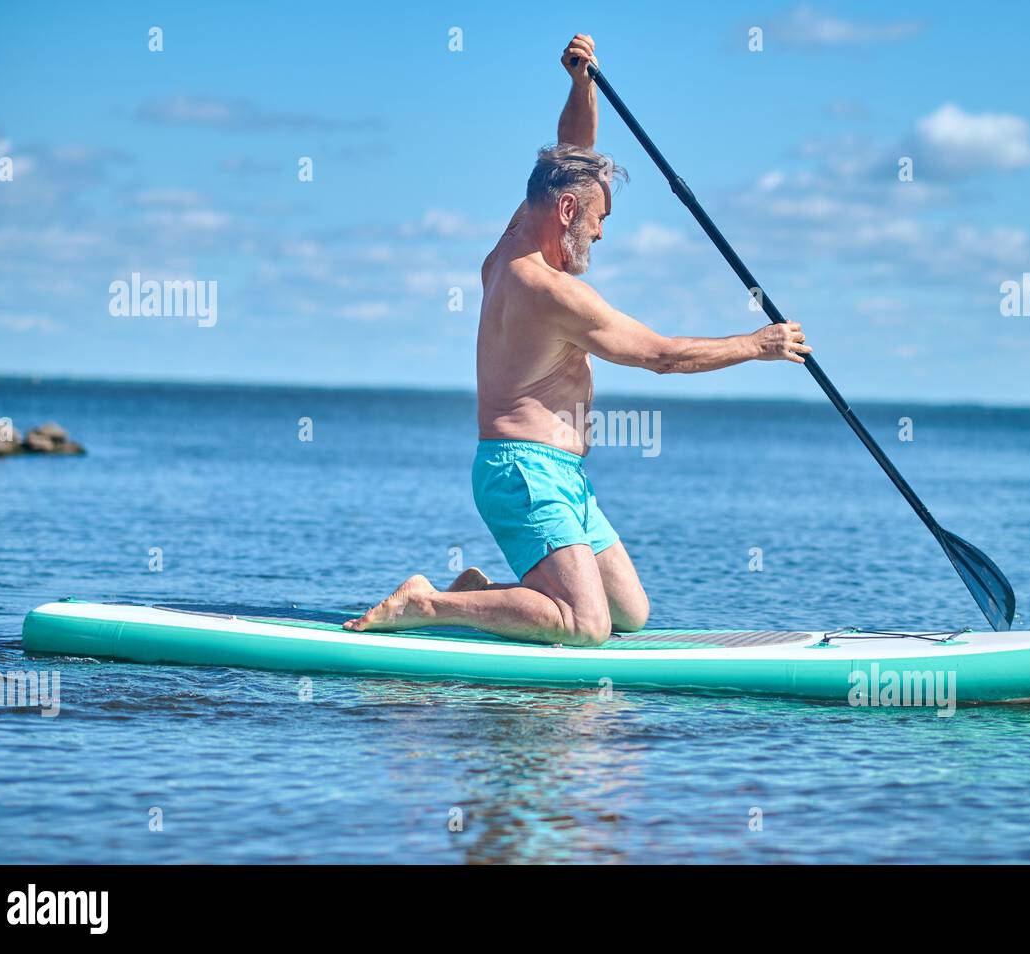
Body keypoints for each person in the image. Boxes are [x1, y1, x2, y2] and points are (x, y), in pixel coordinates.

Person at [345, 34, 810, 645]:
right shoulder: (555, 293)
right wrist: (758, 344)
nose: (601, 233)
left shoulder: (513, 241)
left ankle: (479, 599)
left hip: (563, 475)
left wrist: (580, 83)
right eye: (599, 219)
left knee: (630, 614)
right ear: (567, 210)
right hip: (523, 471)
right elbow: (661, 356)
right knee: (586, 626)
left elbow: (572, 153)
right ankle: (427, 604)